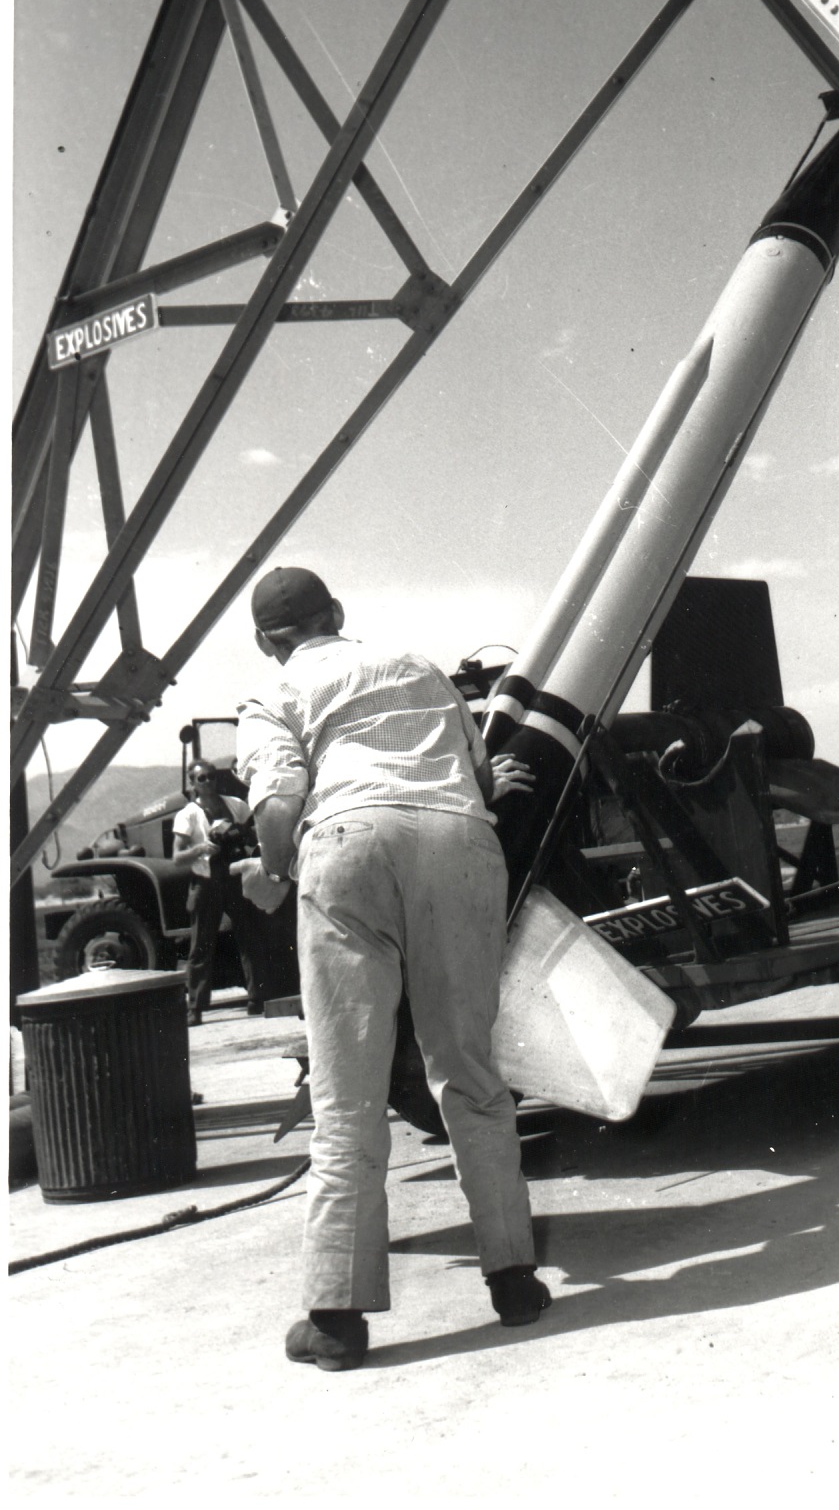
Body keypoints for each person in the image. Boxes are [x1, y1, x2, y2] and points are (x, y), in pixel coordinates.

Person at [234, 565, 543, 1373]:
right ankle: (514, 1281)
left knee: (348, 1094)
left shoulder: (272, 695)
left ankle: (337, 1322)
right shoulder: (414, 664)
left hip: (346, 843)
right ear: (337, 614)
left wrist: (276, 869)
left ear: (269, 643)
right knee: (470, 1072)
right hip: (457, 841)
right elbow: (479, 777)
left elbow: (276, 804)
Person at [171, 761, 262, 1024]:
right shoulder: (188, 814)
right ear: (193, 783)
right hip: (205, 881)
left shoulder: (235, 804)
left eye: (211, 777)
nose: (208, 782)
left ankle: (256, 997)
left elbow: (253, 830)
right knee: (201, 944)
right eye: (202, 778)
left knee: (249, 936)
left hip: (233, 876)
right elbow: (177, 857)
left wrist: (244, 837)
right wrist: (201, 848)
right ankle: (195, 1007)